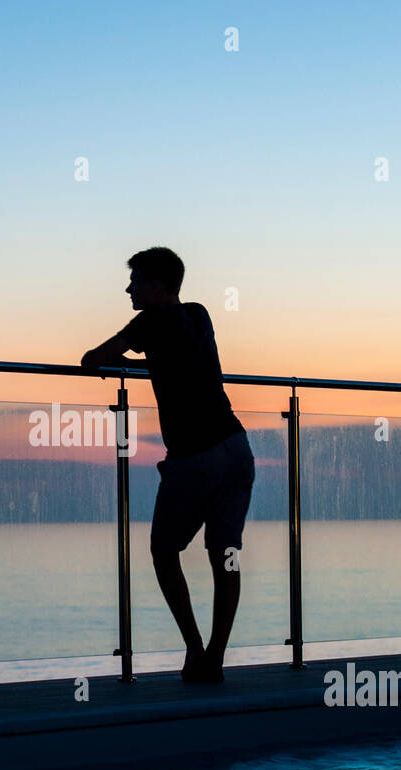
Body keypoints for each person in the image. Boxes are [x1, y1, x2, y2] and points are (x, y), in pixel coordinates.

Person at [81, 247, 255, 683]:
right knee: (225, 554)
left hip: (195, 456)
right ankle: (215, 656)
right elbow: (177, 357)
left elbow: (92, 358)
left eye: (136, 280)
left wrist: (125, 362)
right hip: (236, 448)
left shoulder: (148, 322)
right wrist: (148, 363)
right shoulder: (199, 314)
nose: (128, 288)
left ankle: (195, 650)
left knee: (163, 551)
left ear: (159, 284)